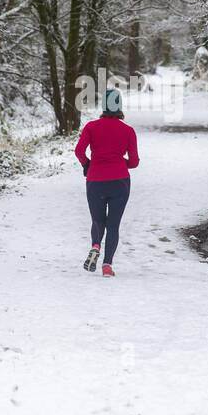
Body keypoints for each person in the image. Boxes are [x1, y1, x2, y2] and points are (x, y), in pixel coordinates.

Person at [75, 88, 139, 277]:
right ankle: (107, 265)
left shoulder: (91, 127)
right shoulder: (128, 130)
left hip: (95, 181)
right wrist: (120, 162)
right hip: (120, 182)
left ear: (103, 106)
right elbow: (134, 162)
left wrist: (88, 164)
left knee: (97, 220)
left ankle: (95, 245)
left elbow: (79, 151)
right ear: (119, 107)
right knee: (113, 224)